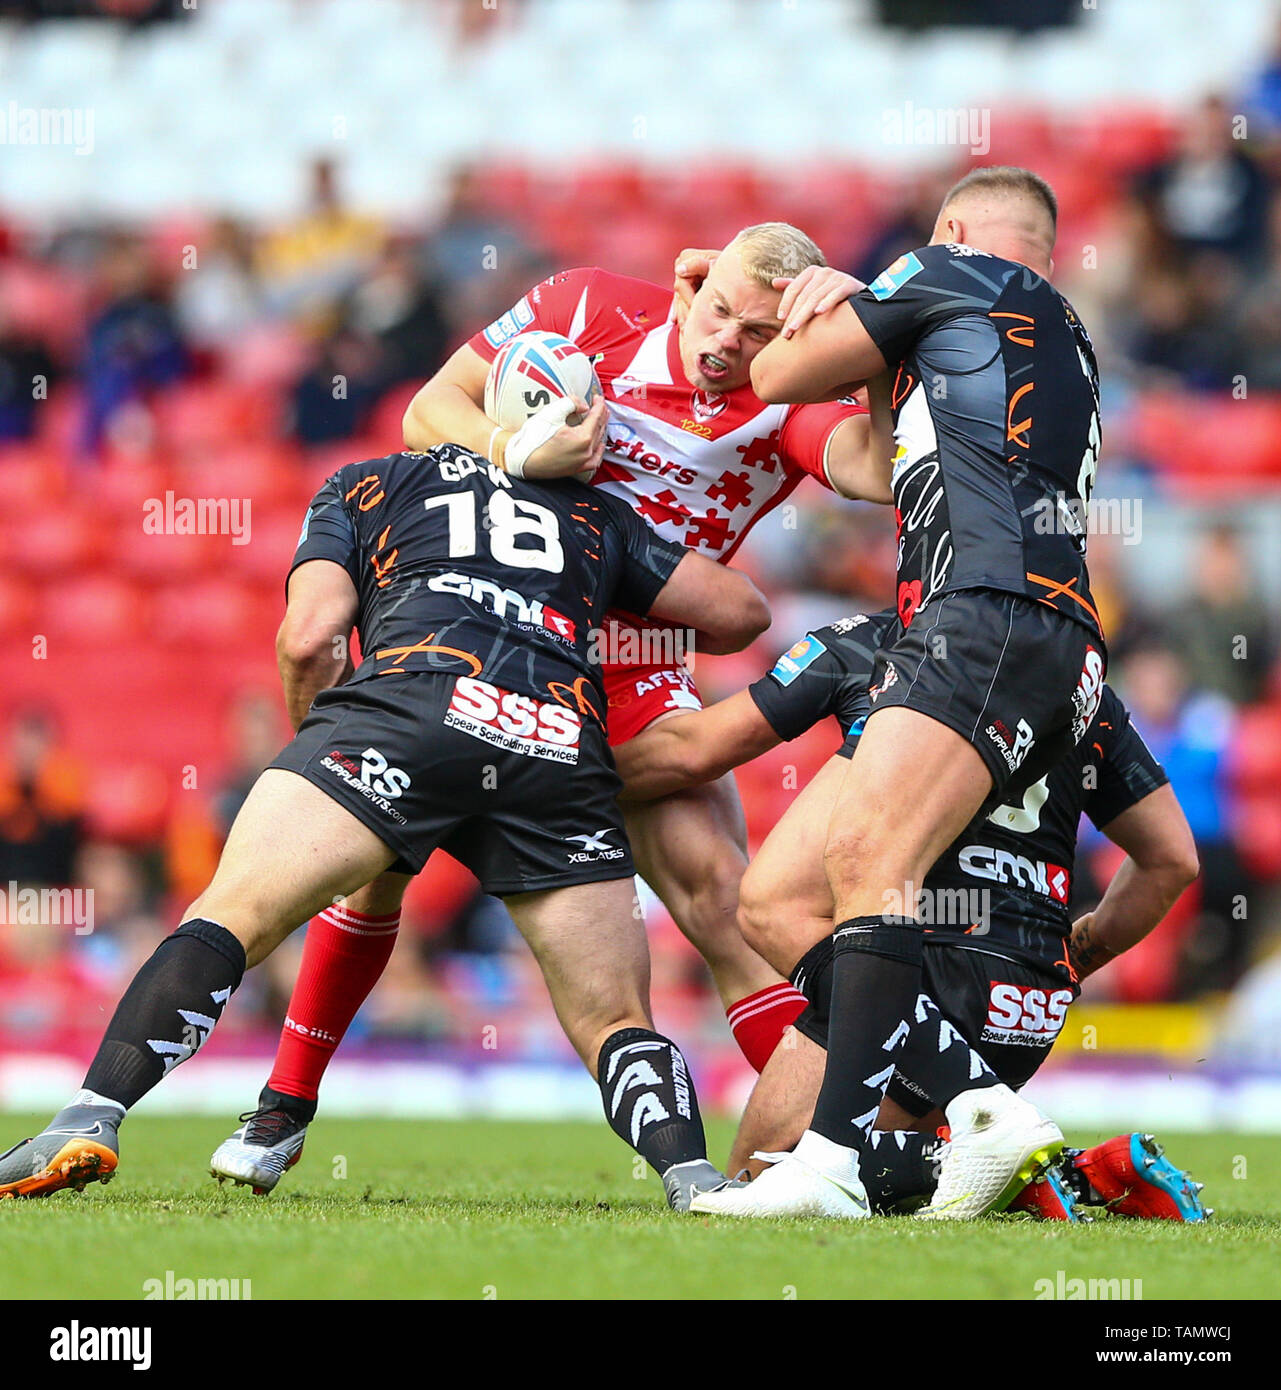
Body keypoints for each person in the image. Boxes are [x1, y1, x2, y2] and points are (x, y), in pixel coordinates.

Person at [220, 223, 894, 1188]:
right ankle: (281, 1111)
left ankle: (835, 1154)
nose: (727, 346)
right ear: (687, 282)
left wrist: (867, 339)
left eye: (756, 335)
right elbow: (426, 408)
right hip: (485, 616)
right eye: (719, 315)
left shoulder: (783, 399)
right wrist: (514, 446)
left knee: (721, 900)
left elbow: (878, 470)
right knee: (370, 873)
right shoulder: (585, 306)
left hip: (632, 661)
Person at [0, 438, 769, 1210]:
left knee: (231, 916)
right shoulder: (596, 515)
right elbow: (739, 612)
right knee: (613, 1016)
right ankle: (690, 1177)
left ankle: (96, 1112)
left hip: (407, 715)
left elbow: (308, 638)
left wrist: (318, 755)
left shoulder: (370, 482)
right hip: (552, 741)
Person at [690, 166, 1111, 1219]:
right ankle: (968, 1099)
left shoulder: (939, 265)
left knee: (868, 860)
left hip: (986, 606)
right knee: (780, 893)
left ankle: (835, 1160)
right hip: (1023, 625)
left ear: (958, 230)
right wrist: (880, 359)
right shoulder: (1064, 339)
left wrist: (818, 292)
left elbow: (780, 375)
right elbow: (887, 453)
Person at [615, 611, 1206, 1221]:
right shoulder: (1084, 689)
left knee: (765, 1176)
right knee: (860, 1181)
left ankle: (1056, 1175)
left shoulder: (877, 645)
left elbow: (693, 751)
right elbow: (1172, 862)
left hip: (909, 961)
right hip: (1029, 1004)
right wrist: (1072, 961)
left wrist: (554, 772)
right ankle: (1066, 1169)